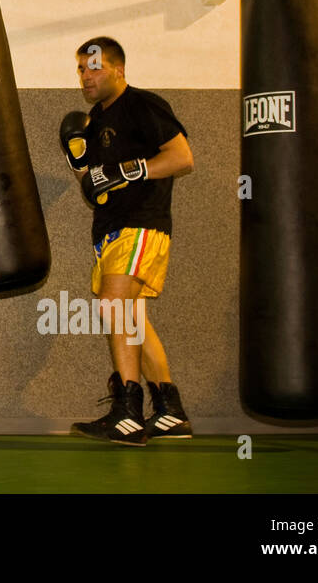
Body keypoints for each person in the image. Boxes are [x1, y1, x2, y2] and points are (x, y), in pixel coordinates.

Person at [58, 36, 194, 446]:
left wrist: (130, 170)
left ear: (118, 68)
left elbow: (181, 158)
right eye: (81, 68)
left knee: (115, 309)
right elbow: (96, 190)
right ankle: (169, 411)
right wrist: (80, 165)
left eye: (94, 67)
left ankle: (129, 415)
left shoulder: (143, 105)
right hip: (110, 229)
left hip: (140, 224)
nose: (86, 76)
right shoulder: (93, 123)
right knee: (131, 318)